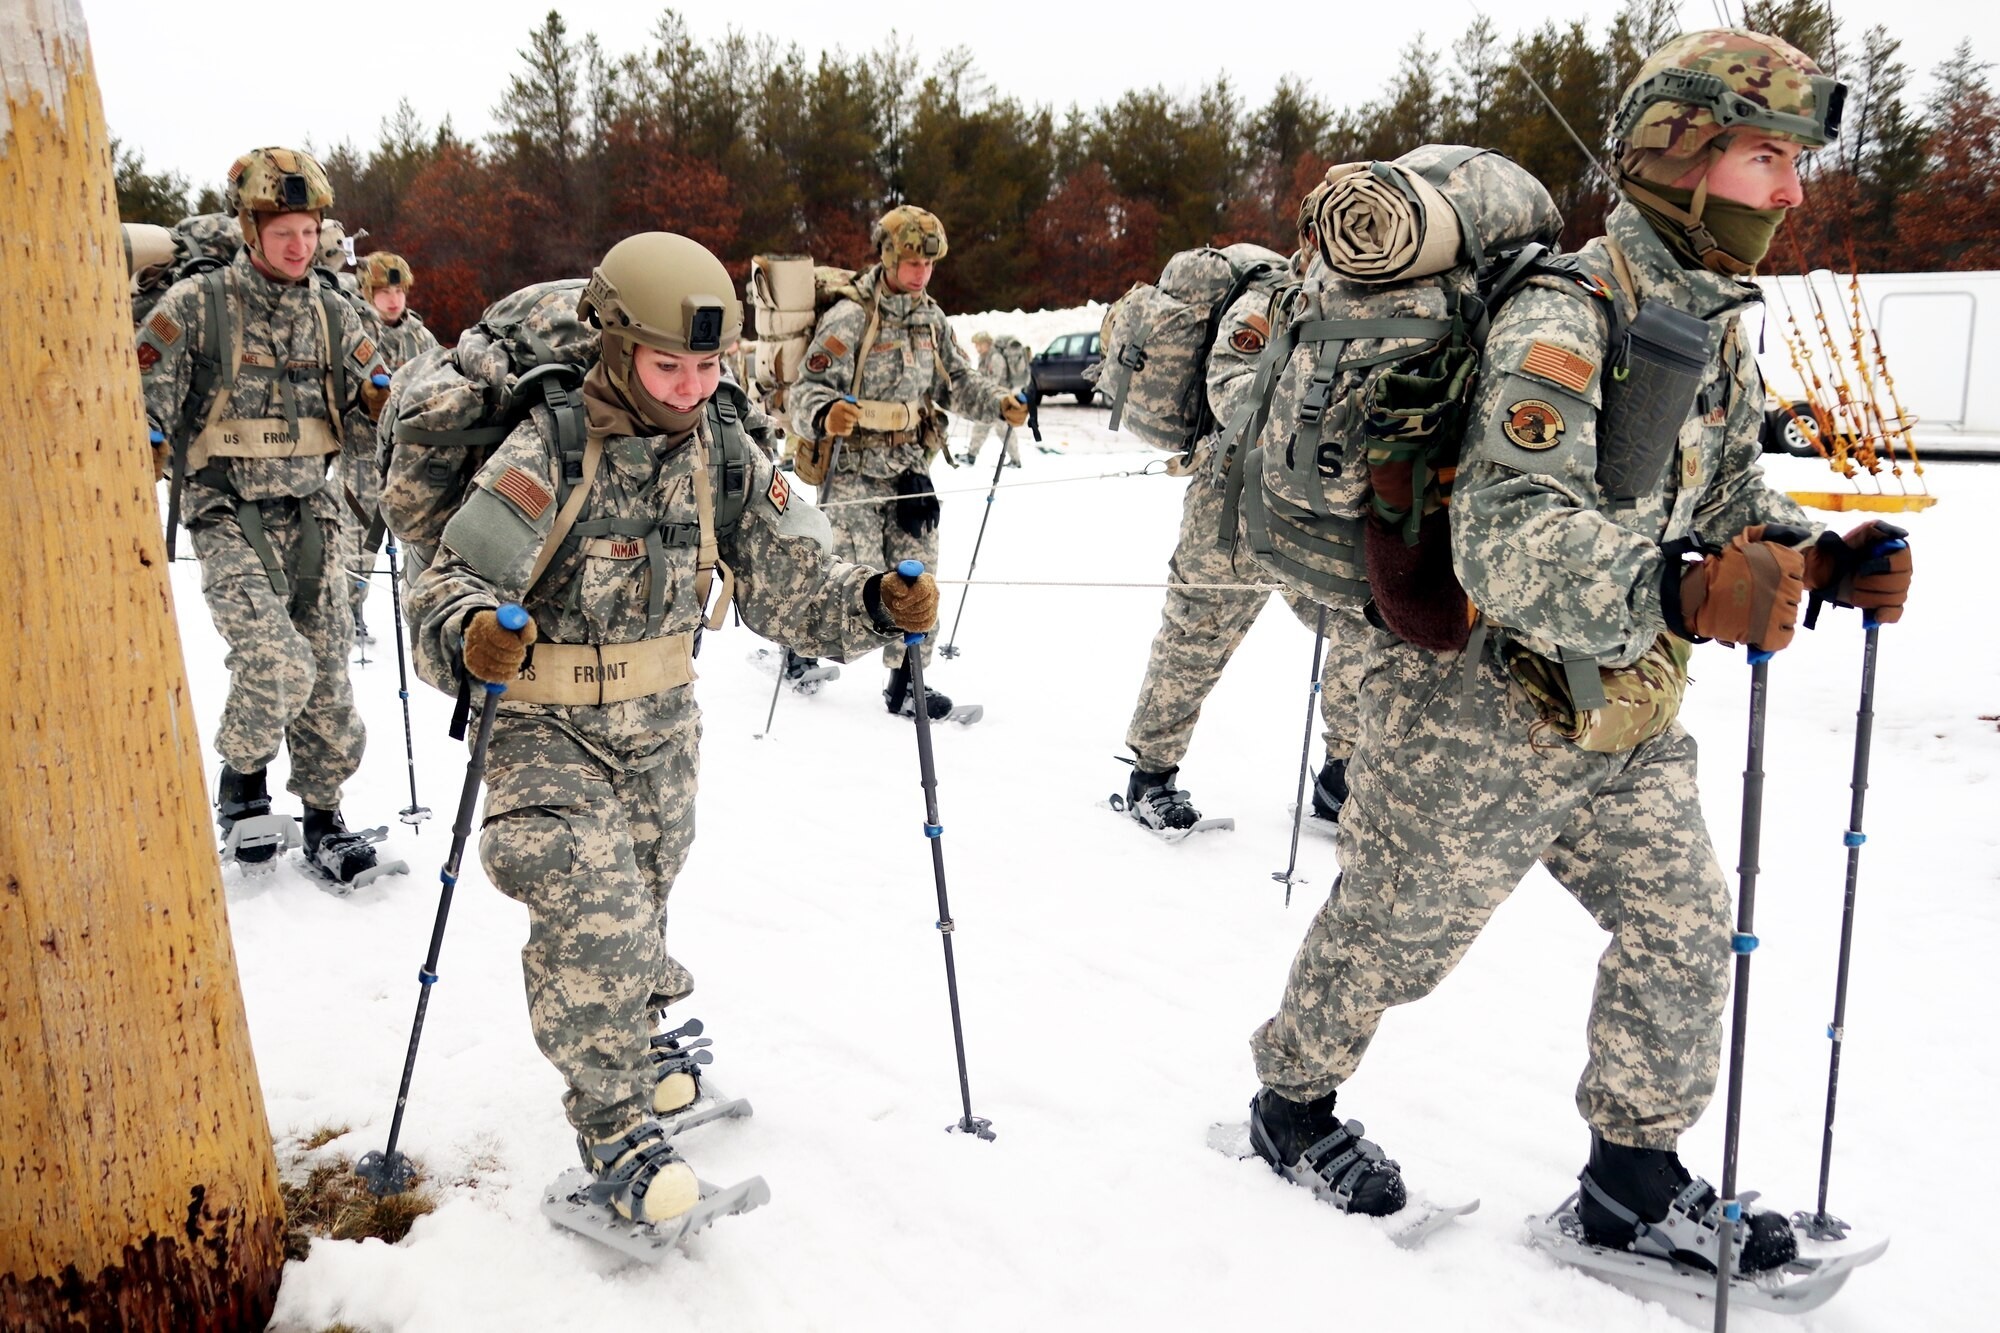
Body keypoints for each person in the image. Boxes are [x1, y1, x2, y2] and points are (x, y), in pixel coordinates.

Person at [1242, 29, 1915, 1275]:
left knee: (1687, 924)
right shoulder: (1565, 311)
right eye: (1768, 154)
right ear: (1683, 154)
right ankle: (1288, 1105)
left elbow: (1717, 501)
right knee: (1393, 934)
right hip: (1479, 718)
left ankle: (1627, 1183)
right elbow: (1506, 540)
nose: (1791, 187)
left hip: (1626, 711)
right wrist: (1682, 586)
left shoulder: (1705, 315)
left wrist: (1810, 556)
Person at [406, 232, 942, 1225]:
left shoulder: (722, 446)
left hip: (660, 722)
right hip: (543, 726)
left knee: (645, 894)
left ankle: (635, 1030)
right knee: (591, 907)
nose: (692, 386)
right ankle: (611, 1127)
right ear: (614, 344)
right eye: (669, 366)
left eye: (708, 366)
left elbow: (795, 587)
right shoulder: (552, 444)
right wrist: (472, 636)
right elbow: (449, 588)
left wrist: (873, 602)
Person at [138, 147, 391, 881]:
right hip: (226, 512)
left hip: (315, 512)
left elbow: (374, 418)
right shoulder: (196, 307)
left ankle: (323, 811)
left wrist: (379, 407)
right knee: (278, 662)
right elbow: (142, 410)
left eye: (309, 230)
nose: (298, 245)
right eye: (283, 229)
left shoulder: (336, 314)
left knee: (331, 676)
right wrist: (149, 448)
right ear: (250, 228)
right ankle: (243, 780)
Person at [1120, 182, 1367, 832]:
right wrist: (1308, 436)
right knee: (1196, 636)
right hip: (1230, 501)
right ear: (1311, 240)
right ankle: (1151, 771)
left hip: (1316, 508)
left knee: (1365, 627)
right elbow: (1230, 387)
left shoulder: (1371, 311)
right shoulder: (1266, 304)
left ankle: (1344, 774)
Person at [785, 205, 1028, 718]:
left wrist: (998, 402)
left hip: (909, 466)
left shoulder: (930, 318)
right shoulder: (851, 317)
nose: (921, 274)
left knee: (919, 579)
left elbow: (957, 381)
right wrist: (826, 413)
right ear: (890, 256)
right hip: (851, 470)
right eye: (913, 263)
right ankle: (799, 647)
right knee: (846, 573)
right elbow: (804, 390)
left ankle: (908, 680)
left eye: (930, 265)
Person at [340, 251, 441, 640]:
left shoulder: (421, 337)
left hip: (410, 459)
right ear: (367, 293)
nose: (393, 299)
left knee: (420, 541)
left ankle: (424, 612)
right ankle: (349, 612)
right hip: (364, 458)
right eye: (383, 292)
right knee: (357, 540)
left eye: (398, 290)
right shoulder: (353, 334)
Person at [960, 331, 1022, 468]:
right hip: (991, 401)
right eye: (976, 345)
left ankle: (1016, 460)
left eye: (979, 345)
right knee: (981, 426)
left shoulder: (995, 358)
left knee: (1003, 430)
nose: (977, 348)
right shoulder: (985, 357)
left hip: (1000, 401)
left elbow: (994, 381)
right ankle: (971, 455)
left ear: (987, 343)